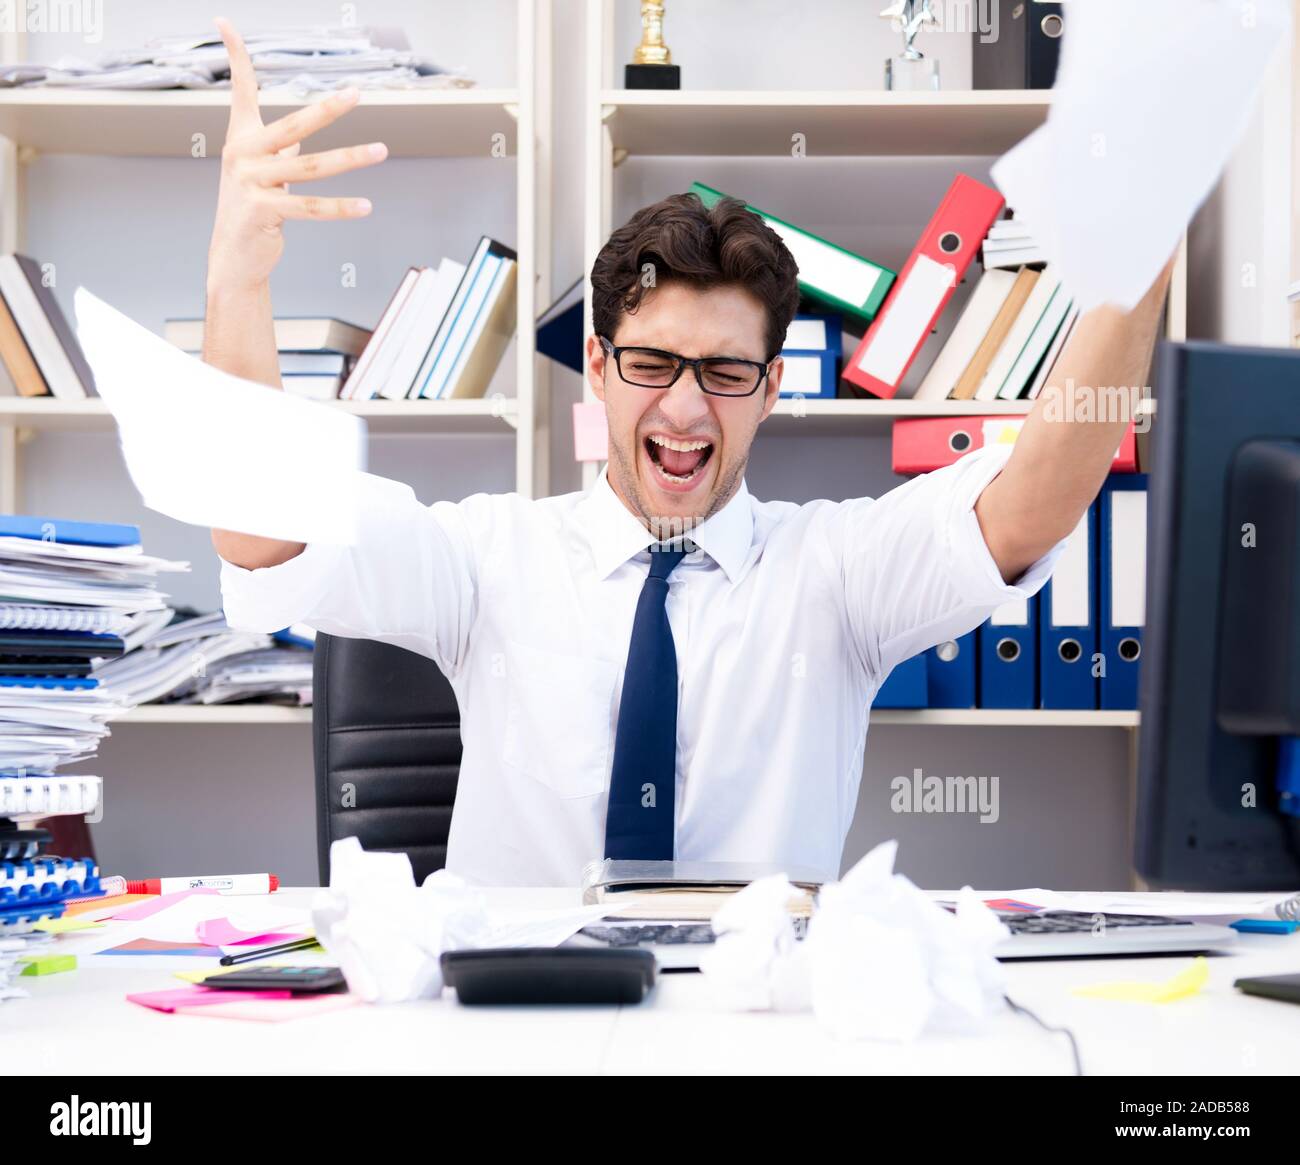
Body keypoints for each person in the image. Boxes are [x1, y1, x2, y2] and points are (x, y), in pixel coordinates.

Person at [206, 22, 1172, 886]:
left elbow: (1034, 500)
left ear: (773, 387)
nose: (682, 406)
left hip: (751, 1022)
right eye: (652, 362)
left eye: (723, 371)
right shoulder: (484, 557)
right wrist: (239, 274)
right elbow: (261, 529)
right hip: (521, 1018)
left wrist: (1149, 231)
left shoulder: (836, 576)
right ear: (596, 365)